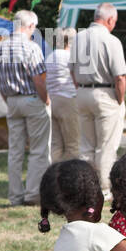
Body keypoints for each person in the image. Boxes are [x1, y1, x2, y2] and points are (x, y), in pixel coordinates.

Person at [0, 9, 49, 206]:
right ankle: (33, 194)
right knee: (38, 149)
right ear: (30, 26)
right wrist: (46, 99)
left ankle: (15, 196)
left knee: (15, 151)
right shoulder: (31, 47)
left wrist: (8, 101)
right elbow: (38, 79)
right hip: (31, 98)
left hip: (12, 101)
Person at [72, 3, 126, 193]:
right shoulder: (111, 41)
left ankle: (86, 186)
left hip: (82, 92)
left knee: (86, 145)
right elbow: (120, 76)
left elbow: (71, 70)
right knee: (106, 146)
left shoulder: (77, 38)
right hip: (105, 93)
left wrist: (80, 87)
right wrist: (120, 100)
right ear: (110, 19)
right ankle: (104, 187)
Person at [44, 26, 81, 163]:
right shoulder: (71, 57)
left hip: (52, 100)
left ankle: (54, 174)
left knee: (56, 144)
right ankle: (71, 175)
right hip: (68, 100)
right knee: (73, 144)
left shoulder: (50, 56)